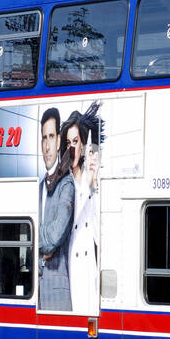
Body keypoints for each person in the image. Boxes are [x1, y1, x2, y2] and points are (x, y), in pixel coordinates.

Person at [68, 103, 103, 315]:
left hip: (88, 266)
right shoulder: (62, 183)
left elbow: (100, 237)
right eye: (67, 143)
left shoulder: (93, 183)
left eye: (75, 141)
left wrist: (95, 184)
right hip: (69, 265)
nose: (71, 147)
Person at [39, 107, 74, 310]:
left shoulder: (66, 184)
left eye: (51, 137)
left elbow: (55, 235)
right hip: (35, 292)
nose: (47, 146)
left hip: (57, 295)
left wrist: (34, 239)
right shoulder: (38, 188)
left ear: (59, 140)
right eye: (44, 138)